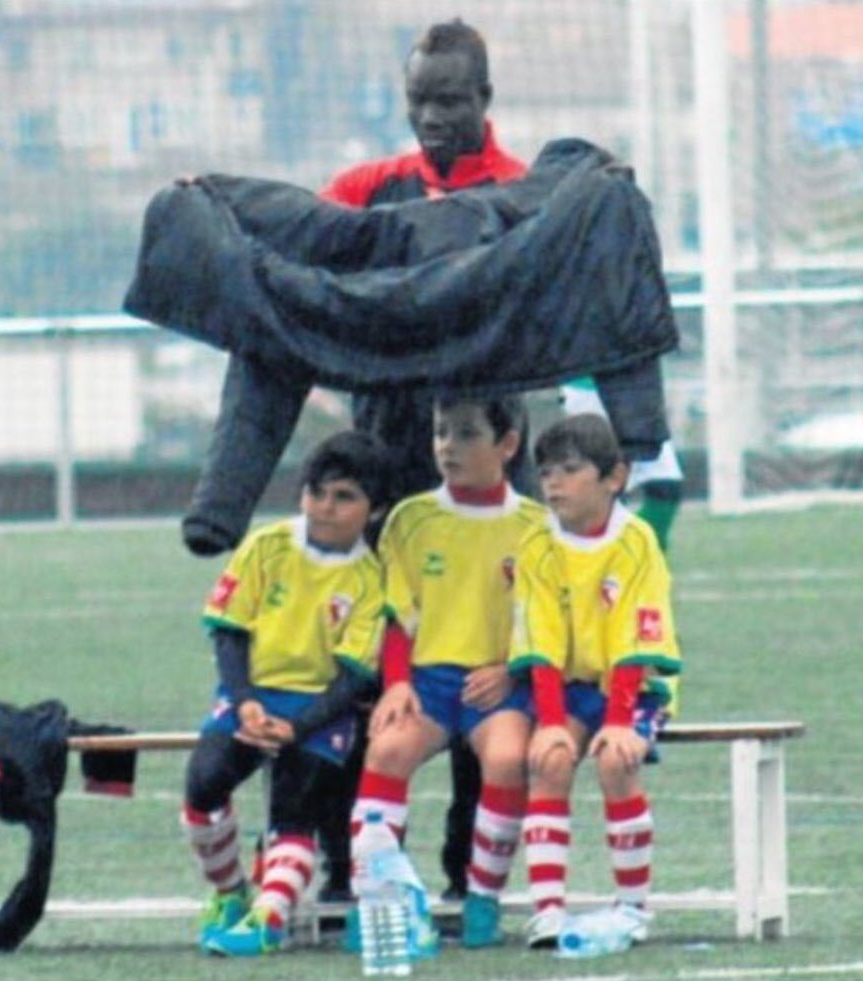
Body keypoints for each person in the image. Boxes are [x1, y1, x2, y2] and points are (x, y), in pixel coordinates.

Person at [316, 17, 534, 903]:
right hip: (384, 449)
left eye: (448, 99)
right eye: (418, 101)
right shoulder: (368, 188)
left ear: (483, 100)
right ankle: (347, 869)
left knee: (483, 662)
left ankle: (461, 880)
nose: (432, 117)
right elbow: (295, 243)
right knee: (366, 668)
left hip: (481, 451)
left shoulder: (525, 191)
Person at [180, 430, 393, 957]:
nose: (325, 507)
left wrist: (297, 727)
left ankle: (269, 919)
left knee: (293, 806)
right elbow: (229, 631)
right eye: (316, 492)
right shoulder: (266, 546)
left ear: (374, 508)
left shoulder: (370, 578)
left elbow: (354, 677)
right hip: (251, 696)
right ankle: (231, 894)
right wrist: (246, 701)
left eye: (344, 497)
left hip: (320, 708)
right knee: (203, 784)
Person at [346, 393, 546, 949]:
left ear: (507, 445)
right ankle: (381, 903)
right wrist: (399, 683)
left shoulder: (535, 526)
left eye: (464, 435)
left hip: (498, 685)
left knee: (507, 757)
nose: (446, 447)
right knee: (386, 750)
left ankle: (482, 899)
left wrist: (511, 670)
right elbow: (394, 615)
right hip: (427, 683)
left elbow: (548, 620)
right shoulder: (410, 520)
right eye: (440, 433)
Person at [508, 413, 682, 951]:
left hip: (636, 685)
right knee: (550, 760)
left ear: (615, 478)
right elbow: (539, 636)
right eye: (545, 471)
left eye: (569, 469)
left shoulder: (636, 542)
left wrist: (617, 722)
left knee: (615, 759)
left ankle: (632, 908)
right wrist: (552, 723)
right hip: (567, 685)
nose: (553, 483)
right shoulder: (537, 545)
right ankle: (549, 912)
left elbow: (636, 635)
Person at [562, 378, 683, 553]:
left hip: (639, 387)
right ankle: (610, 564)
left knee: (666, 486)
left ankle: (638, 560)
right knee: (606, 492)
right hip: (588, 389)